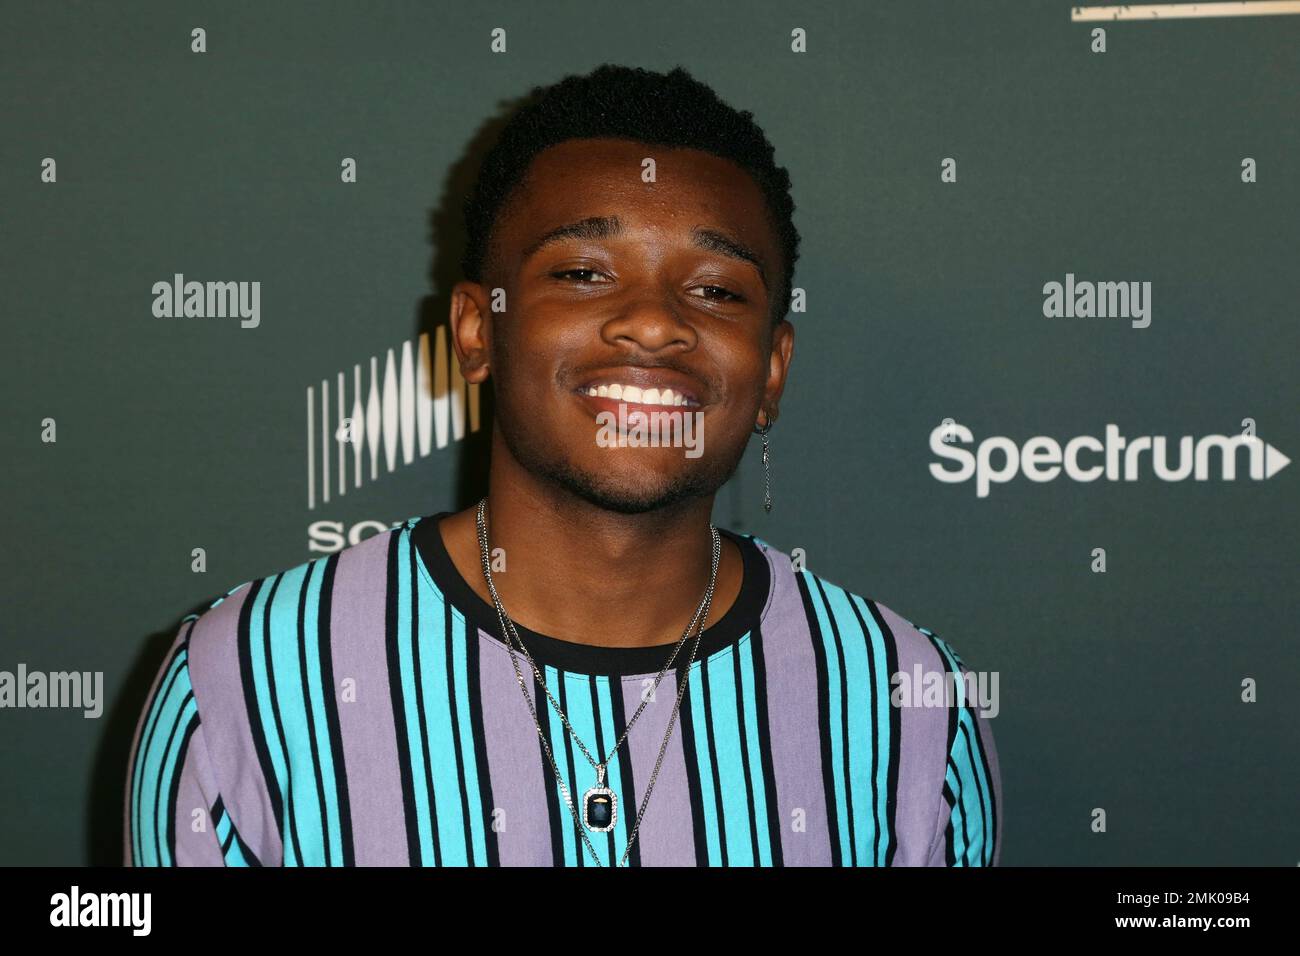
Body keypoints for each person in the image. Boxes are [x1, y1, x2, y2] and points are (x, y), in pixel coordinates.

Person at [124, 63, 1001, 867]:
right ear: (477, 332)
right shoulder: (246, 679)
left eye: (716, 289)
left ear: (771, 371)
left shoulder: (906, 703)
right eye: (582, 272)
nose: (654, 324)